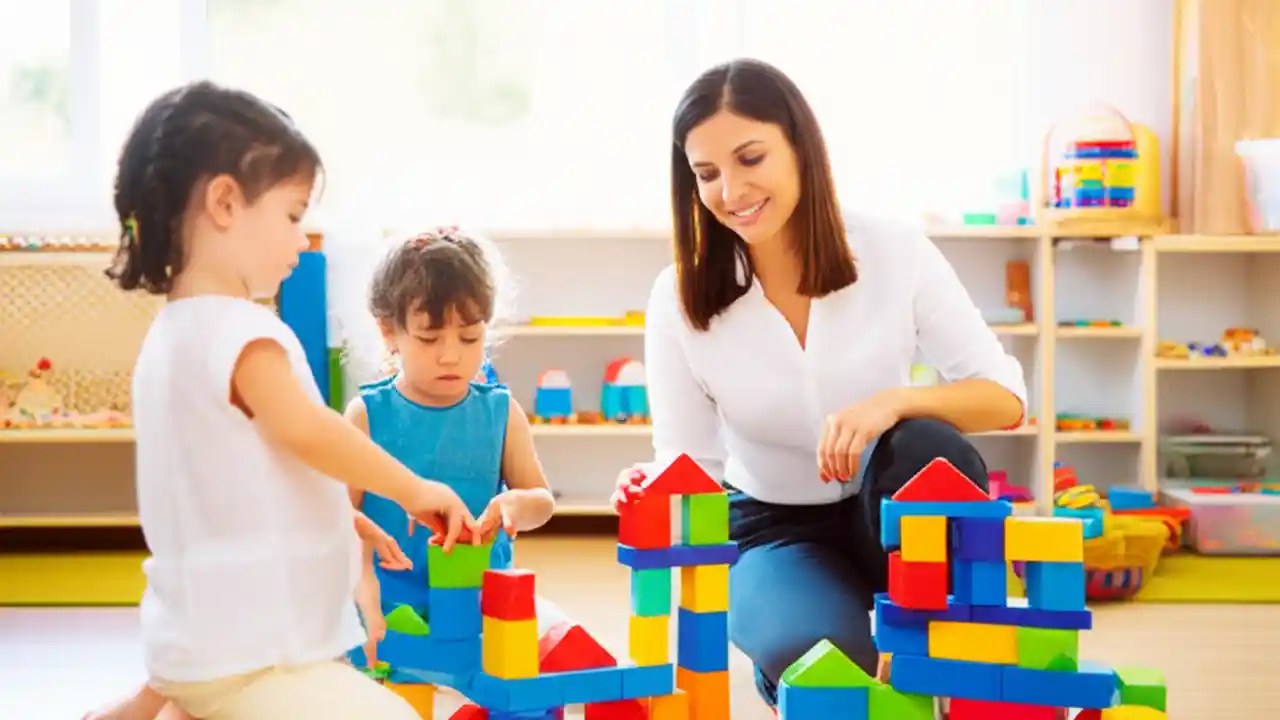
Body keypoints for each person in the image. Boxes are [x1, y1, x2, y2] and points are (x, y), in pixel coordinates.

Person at [610, 58, 1027, 709]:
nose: (731, 190)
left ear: (800, 146)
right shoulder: (680, 295)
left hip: (889, 506)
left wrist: (891, 403)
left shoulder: (893, 251)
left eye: (751, 158)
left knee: (924, 444)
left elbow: (1004, 398)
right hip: (773, 527)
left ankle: (936, 649)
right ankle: (793, 665)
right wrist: (650, 486)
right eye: (708, 173)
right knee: (823, 660)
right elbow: (689, 459)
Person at [85, 80, 482, 720]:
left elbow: (222, 486)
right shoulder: (241, 334)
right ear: (225, 202)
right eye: (293, 214)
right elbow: (309, 431)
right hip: (255, 655)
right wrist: (412, 487)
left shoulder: (172, 336)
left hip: (197, 650)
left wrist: (339, 516)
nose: (303, 237)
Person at [341, 226, 561, 668]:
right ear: (390, 332)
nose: (450, 355)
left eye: (469, 338)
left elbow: (542, 501)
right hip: (389, 608)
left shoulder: (501, 412)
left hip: (481, 605)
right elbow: (341, 519)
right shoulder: (368, 414)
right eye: (428, 338)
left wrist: (516, 504)